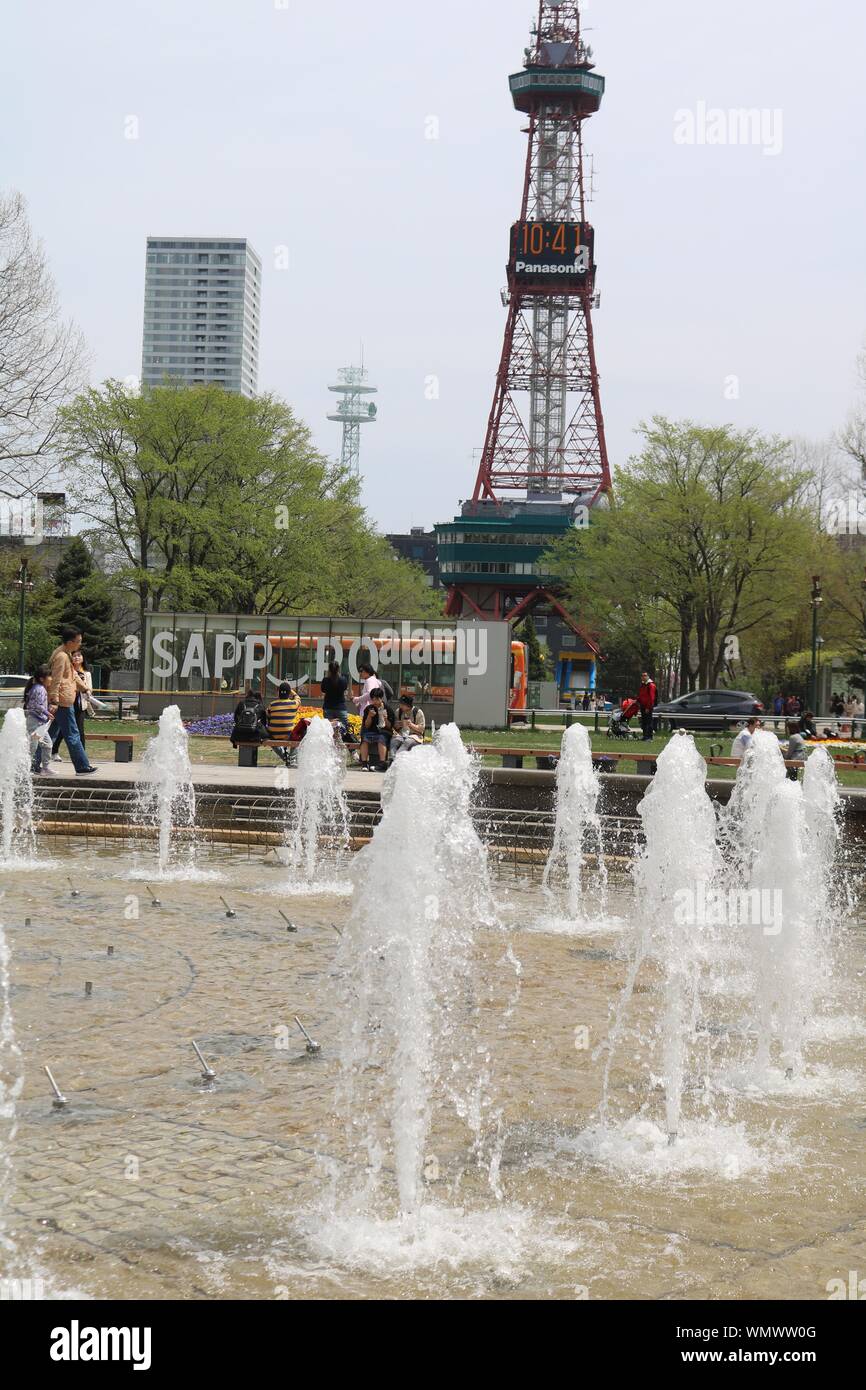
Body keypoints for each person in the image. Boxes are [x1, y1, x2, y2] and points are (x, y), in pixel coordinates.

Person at [46, 627, 98, 775]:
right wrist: (54, 701)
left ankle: (36, 765)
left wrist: (84, 688)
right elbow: (56, 679)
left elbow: (73, 675)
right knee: (73, 735)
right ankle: (82, 767)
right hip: (62, 702)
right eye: (78, 642)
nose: (80, 644)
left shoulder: (66, 653)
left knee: (49, 735)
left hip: (62, 701)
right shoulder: (62, 656)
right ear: (70, 642)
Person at [23, 666, 56, 775]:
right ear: (42, 679)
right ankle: (25, 769)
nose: (51, 678)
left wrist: (47, 711)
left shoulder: (39, 688)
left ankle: (45, 768)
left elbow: (37, 704)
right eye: (49, 676)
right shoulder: (39, 689)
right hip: (35, 723)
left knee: (47, 744)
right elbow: (37, 705)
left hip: (39, 723)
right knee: (32, 747)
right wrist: (48, 713)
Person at [359, 689, 393, 771]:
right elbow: (366, 725)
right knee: (364, 739)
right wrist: (369, 716)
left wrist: (386, 719)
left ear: (381, 698)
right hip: (371, 731)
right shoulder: (369, 709)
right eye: (373, 699)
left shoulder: (387, 709)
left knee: (381, 739)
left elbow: (390, 726)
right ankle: (364, 763)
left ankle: (382, 763)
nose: (375, 702)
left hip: (384, 732)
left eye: (377, 699)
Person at [389, 695, 426, 760]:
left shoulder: (418, 712)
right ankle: (392, 758)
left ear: (408, 705)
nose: (400, 706)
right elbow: (395, 726)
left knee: (407, 741)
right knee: (394, 741)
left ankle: (397, 759)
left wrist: (411, 724)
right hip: (401, 734)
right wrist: (399, 724)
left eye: (402, 704)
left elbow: (421, 729)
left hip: (415, 735)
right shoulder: (399, 711)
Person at [321, 660, 349, 734]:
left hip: (328, 707)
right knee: (343, 732)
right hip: (341, 708)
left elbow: (323, 690)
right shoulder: (343, 680)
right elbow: (345, 688)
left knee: (328, 732)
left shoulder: (325, 680)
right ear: (338, 669)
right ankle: (341, 745)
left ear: (329, 669)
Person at [636, 671, 657, 742]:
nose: (643, 677)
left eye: (645, 675)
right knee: (644, 722)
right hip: (643, 705)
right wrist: (637, 700)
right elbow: (641, 695)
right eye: (642, 676)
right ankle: (645, 736)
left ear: (648, 676)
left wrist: (648, 707)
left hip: (648, 707)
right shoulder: (643, 685)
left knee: (649, 722)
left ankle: (650, 737)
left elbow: (652, 698)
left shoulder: (651, 685)